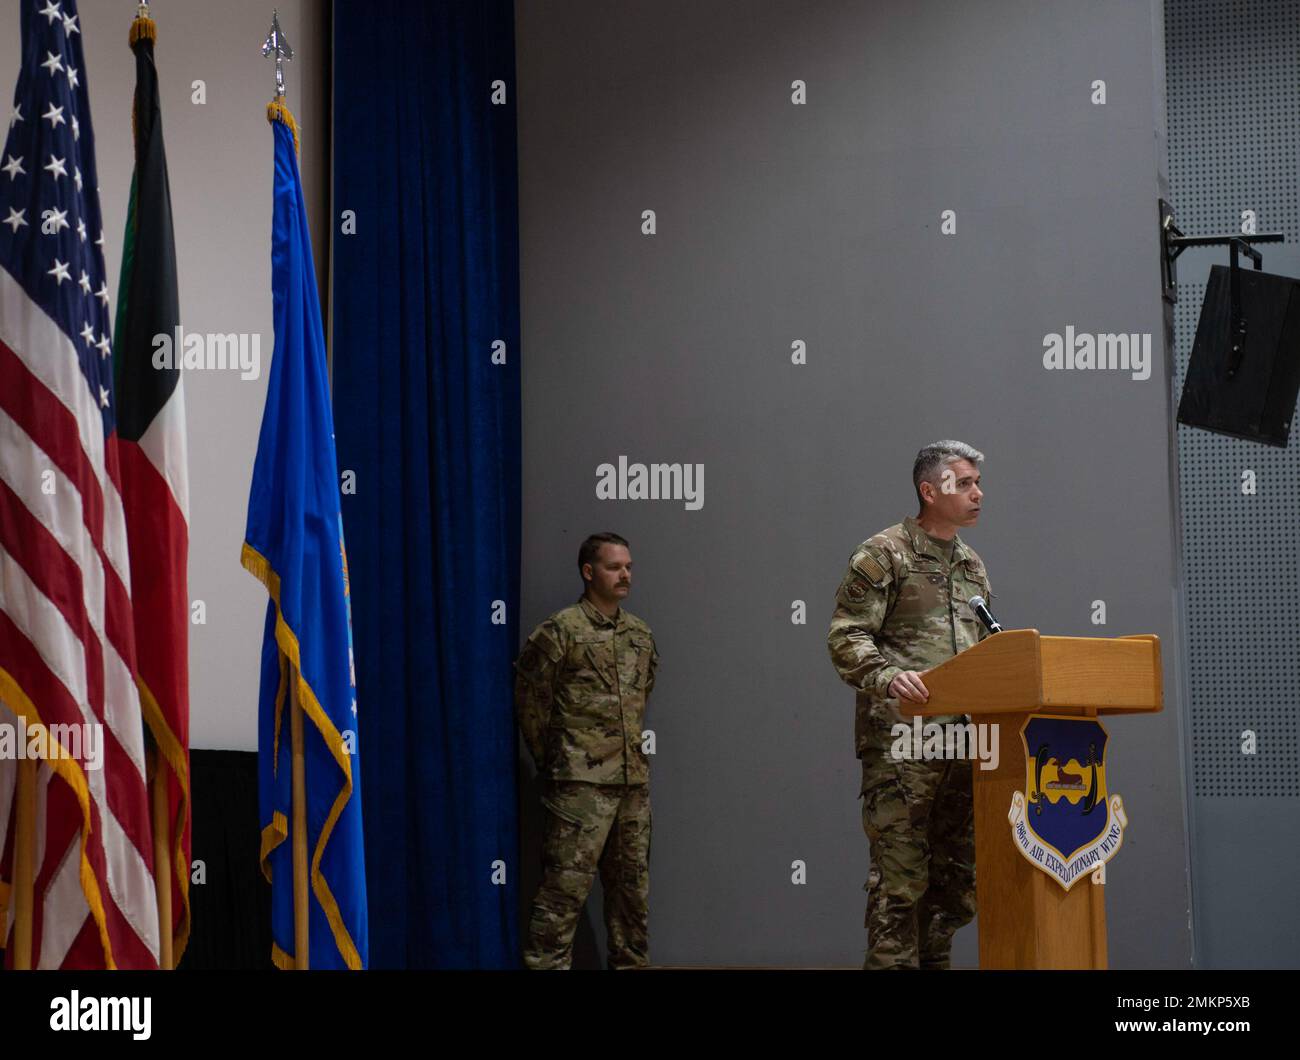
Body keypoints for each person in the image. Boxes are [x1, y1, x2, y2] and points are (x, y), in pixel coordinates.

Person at [827, 440, 994, 969]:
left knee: (954, 888)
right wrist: (889, 676)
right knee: (901, 885)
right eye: (964, 483)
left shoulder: (971, 565)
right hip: (904, 745)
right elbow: (846, 636)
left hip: (964, 745)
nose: (977, 493)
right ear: (930, 489)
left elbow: (986, 650)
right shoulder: (883, 554)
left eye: (977, 483)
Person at [515, 532, 659, 969]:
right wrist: (560, 760)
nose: (625, 575)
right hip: (578, 790)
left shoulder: (640, 635)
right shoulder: (561, 632)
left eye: (629, 567)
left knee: (632, 900)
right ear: (588, 571)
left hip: (632, 787)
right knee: (562, 897)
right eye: (615, 567)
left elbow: (642, 697)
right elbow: (530, 702)